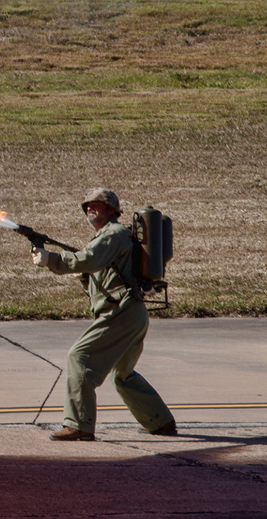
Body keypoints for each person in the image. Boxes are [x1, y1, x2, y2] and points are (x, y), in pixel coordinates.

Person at [31, 188, 176, 441]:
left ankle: (79, 425)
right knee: (122, 374)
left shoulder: (114, 234)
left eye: (96, 204)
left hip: (120, 312)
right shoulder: (109, 237)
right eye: (87, 205)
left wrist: (51, 260)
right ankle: (159, 421)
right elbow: (95, 272)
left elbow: (88, 259)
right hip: (132, 313)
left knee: (79, 358)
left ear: (111, 210)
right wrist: (81, 274)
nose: (90, 208)